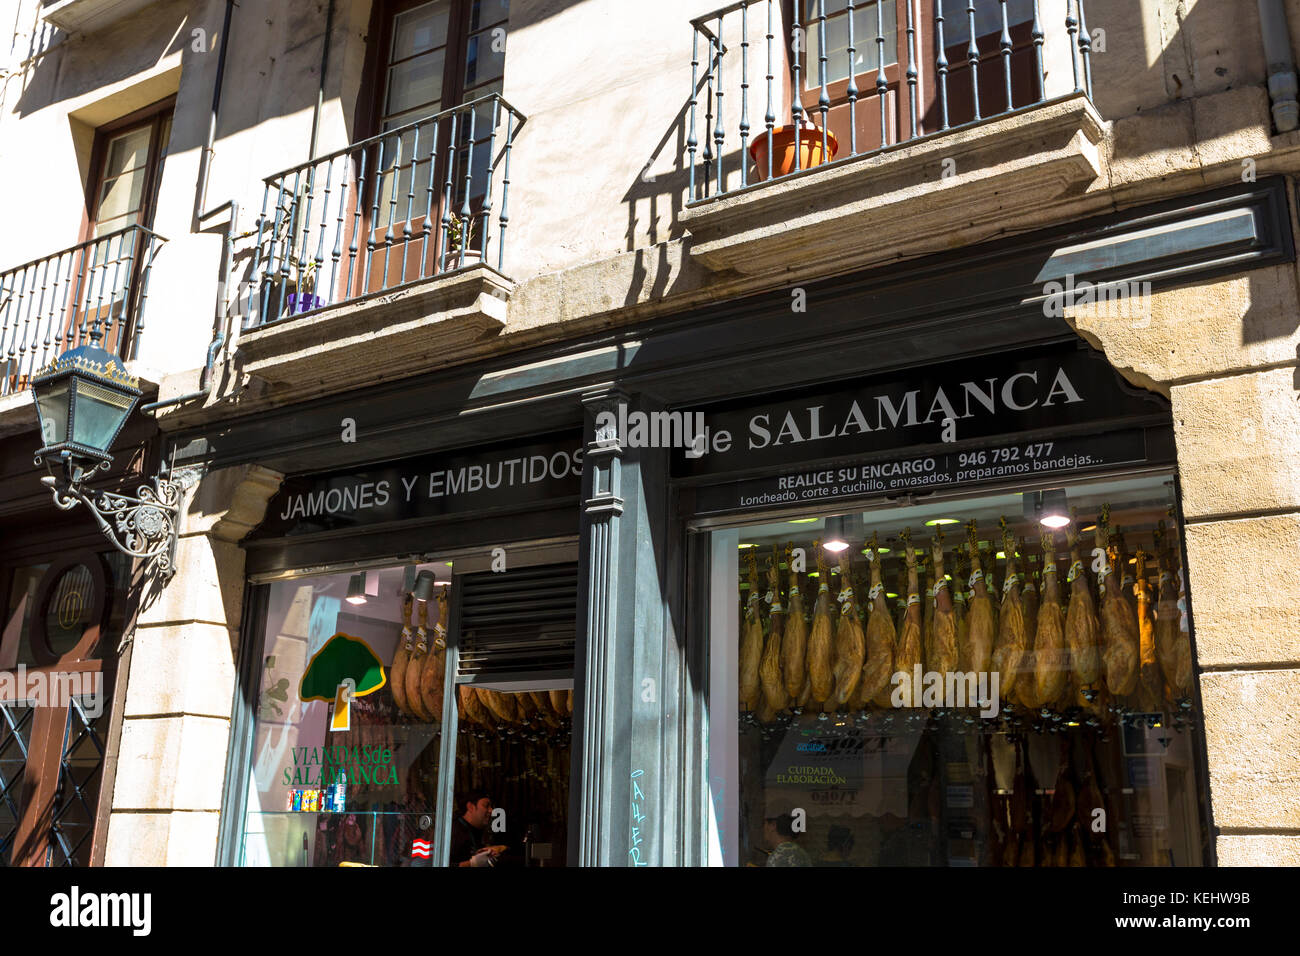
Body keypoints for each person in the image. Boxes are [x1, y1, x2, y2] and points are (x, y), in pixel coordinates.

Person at [448, 790, 502, 868]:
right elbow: (439, 863)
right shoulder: (453, 832)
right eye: (486, 806)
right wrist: (471, 864)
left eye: (491, 807)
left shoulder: (478, 830)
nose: (491, 810)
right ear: (470, 807)